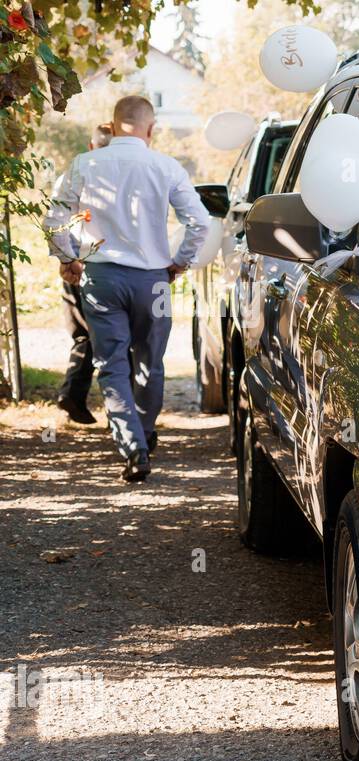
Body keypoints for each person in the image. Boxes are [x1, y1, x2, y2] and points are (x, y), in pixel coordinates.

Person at [44, 96, 208, 482]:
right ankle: (145, 432)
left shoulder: (84, 164)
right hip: (153, 281)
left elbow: (54, 216)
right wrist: (180, 261)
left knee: (112, 365)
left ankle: (133, 447)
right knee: (151, 362)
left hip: (101, 278)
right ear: (151, 130)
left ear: (113, 126)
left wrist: (66, 258)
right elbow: (199, 222)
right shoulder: (166, 167)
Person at [53, 122, 114, 426]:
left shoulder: (73, 174)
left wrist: (66, 260)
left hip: (75, 264)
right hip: (102, 265)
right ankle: (116, 407)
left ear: (91, 146)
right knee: (109, 337)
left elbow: (55, 220)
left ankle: (73, 396)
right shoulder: (120, 177)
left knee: (84, 335)